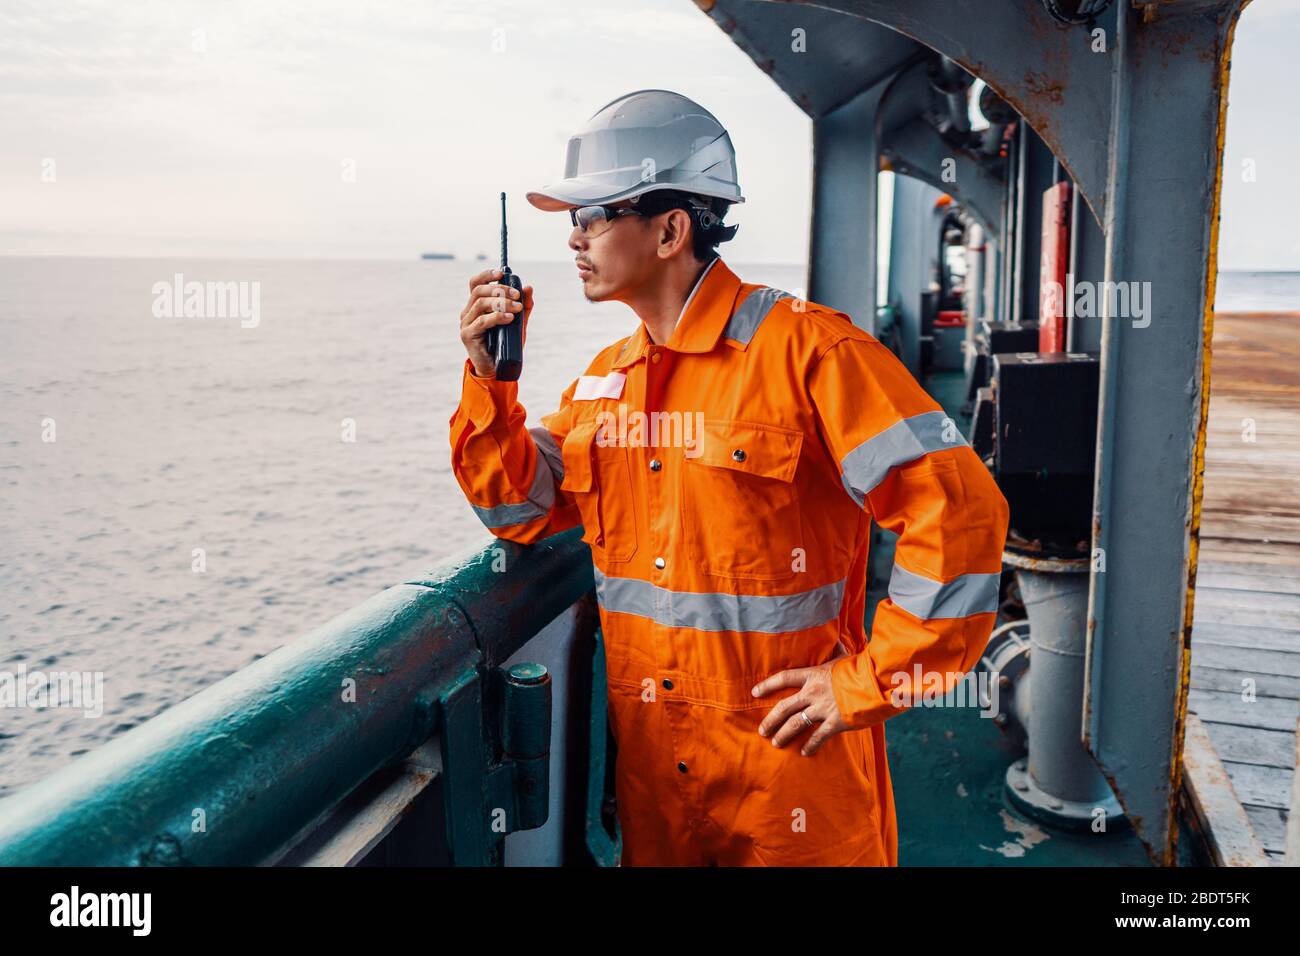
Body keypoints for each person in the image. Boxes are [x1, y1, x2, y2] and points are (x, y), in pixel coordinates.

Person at [450, 89, 1010, 866]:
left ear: (671, 228)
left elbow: (958, 512)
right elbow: (516, 507)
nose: (574, 239)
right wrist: (489, 382)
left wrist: (868, 681)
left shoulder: (812, 353)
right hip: (656, 777)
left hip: (788, 773)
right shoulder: (607, 380)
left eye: (594, 216)